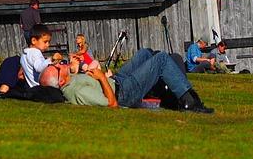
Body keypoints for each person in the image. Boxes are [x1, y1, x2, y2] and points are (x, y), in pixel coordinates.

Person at [60, 47, 212, 112]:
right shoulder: (76, 91)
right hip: (123, 93)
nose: (60, 64)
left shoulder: (71, 79)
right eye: (57, 67)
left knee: (145, 53)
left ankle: (161, 87)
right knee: (161, 59)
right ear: (60, 81)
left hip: (117, 80)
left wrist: (79, 63)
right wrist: (101, 78)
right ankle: (189, 102)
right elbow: (112, 104)